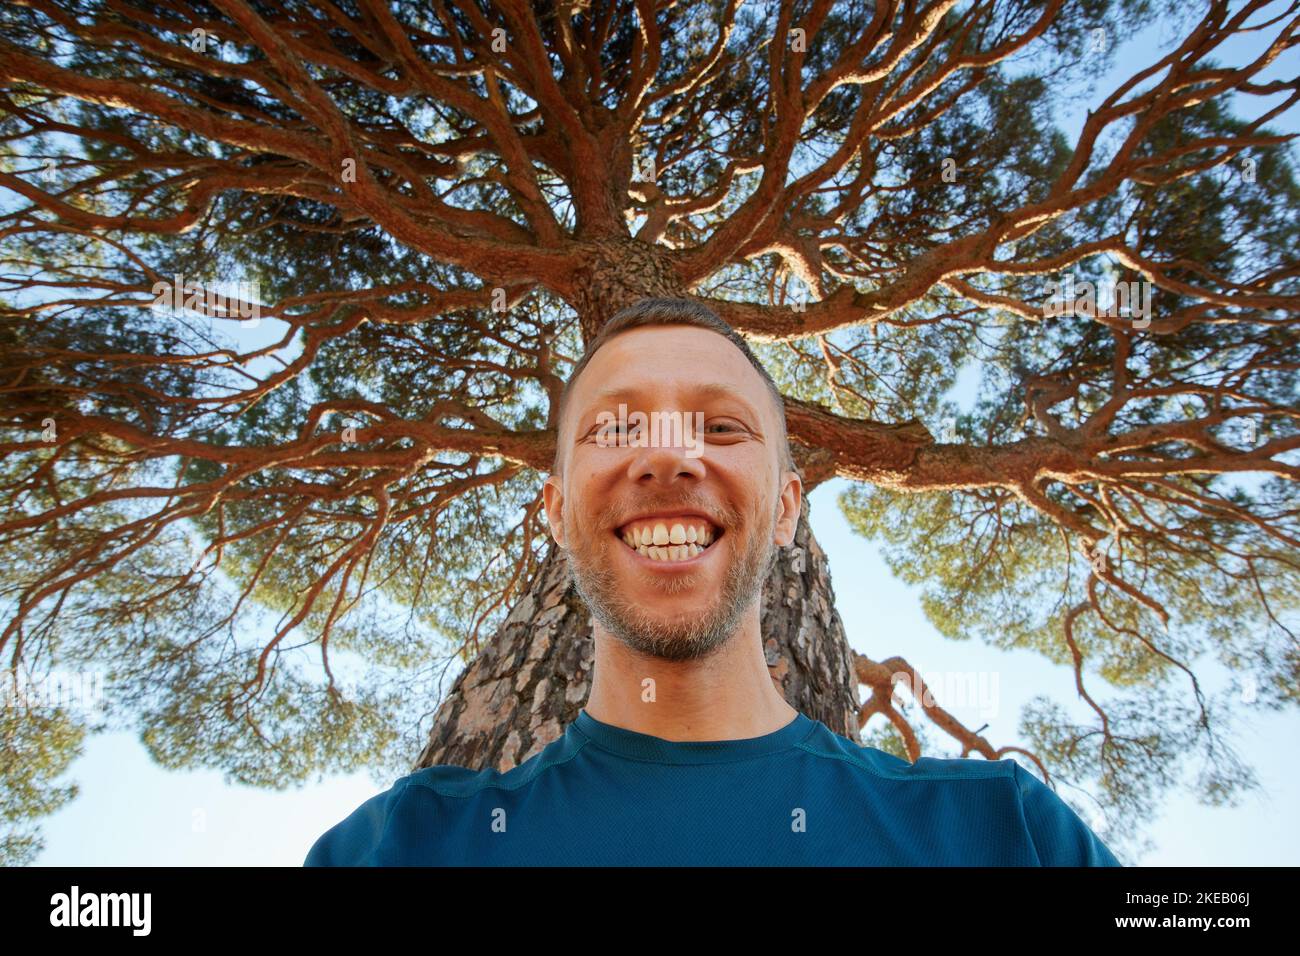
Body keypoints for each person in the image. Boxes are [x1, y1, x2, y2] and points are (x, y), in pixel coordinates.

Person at [304, 297, 1121, 866]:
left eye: (722, 426)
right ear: (553, 510)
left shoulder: (1006, 833)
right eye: (616, 426)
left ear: (786, 508)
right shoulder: (400, 845)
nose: (667, 456)